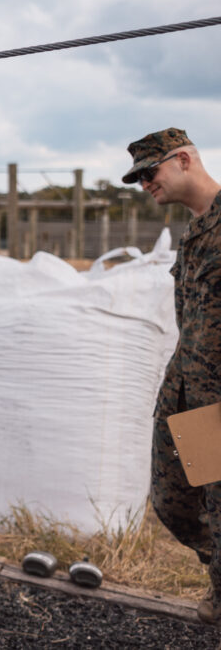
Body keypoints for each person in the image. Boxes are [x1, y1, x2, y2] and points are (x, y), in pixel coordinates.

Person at [123, 128, 221, 623]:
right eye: (138, 177)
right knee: (176, 503)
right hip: (193, 393)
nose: (144, 184)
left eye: (149, 172)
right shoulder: (196, 230)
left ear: (183, 160)